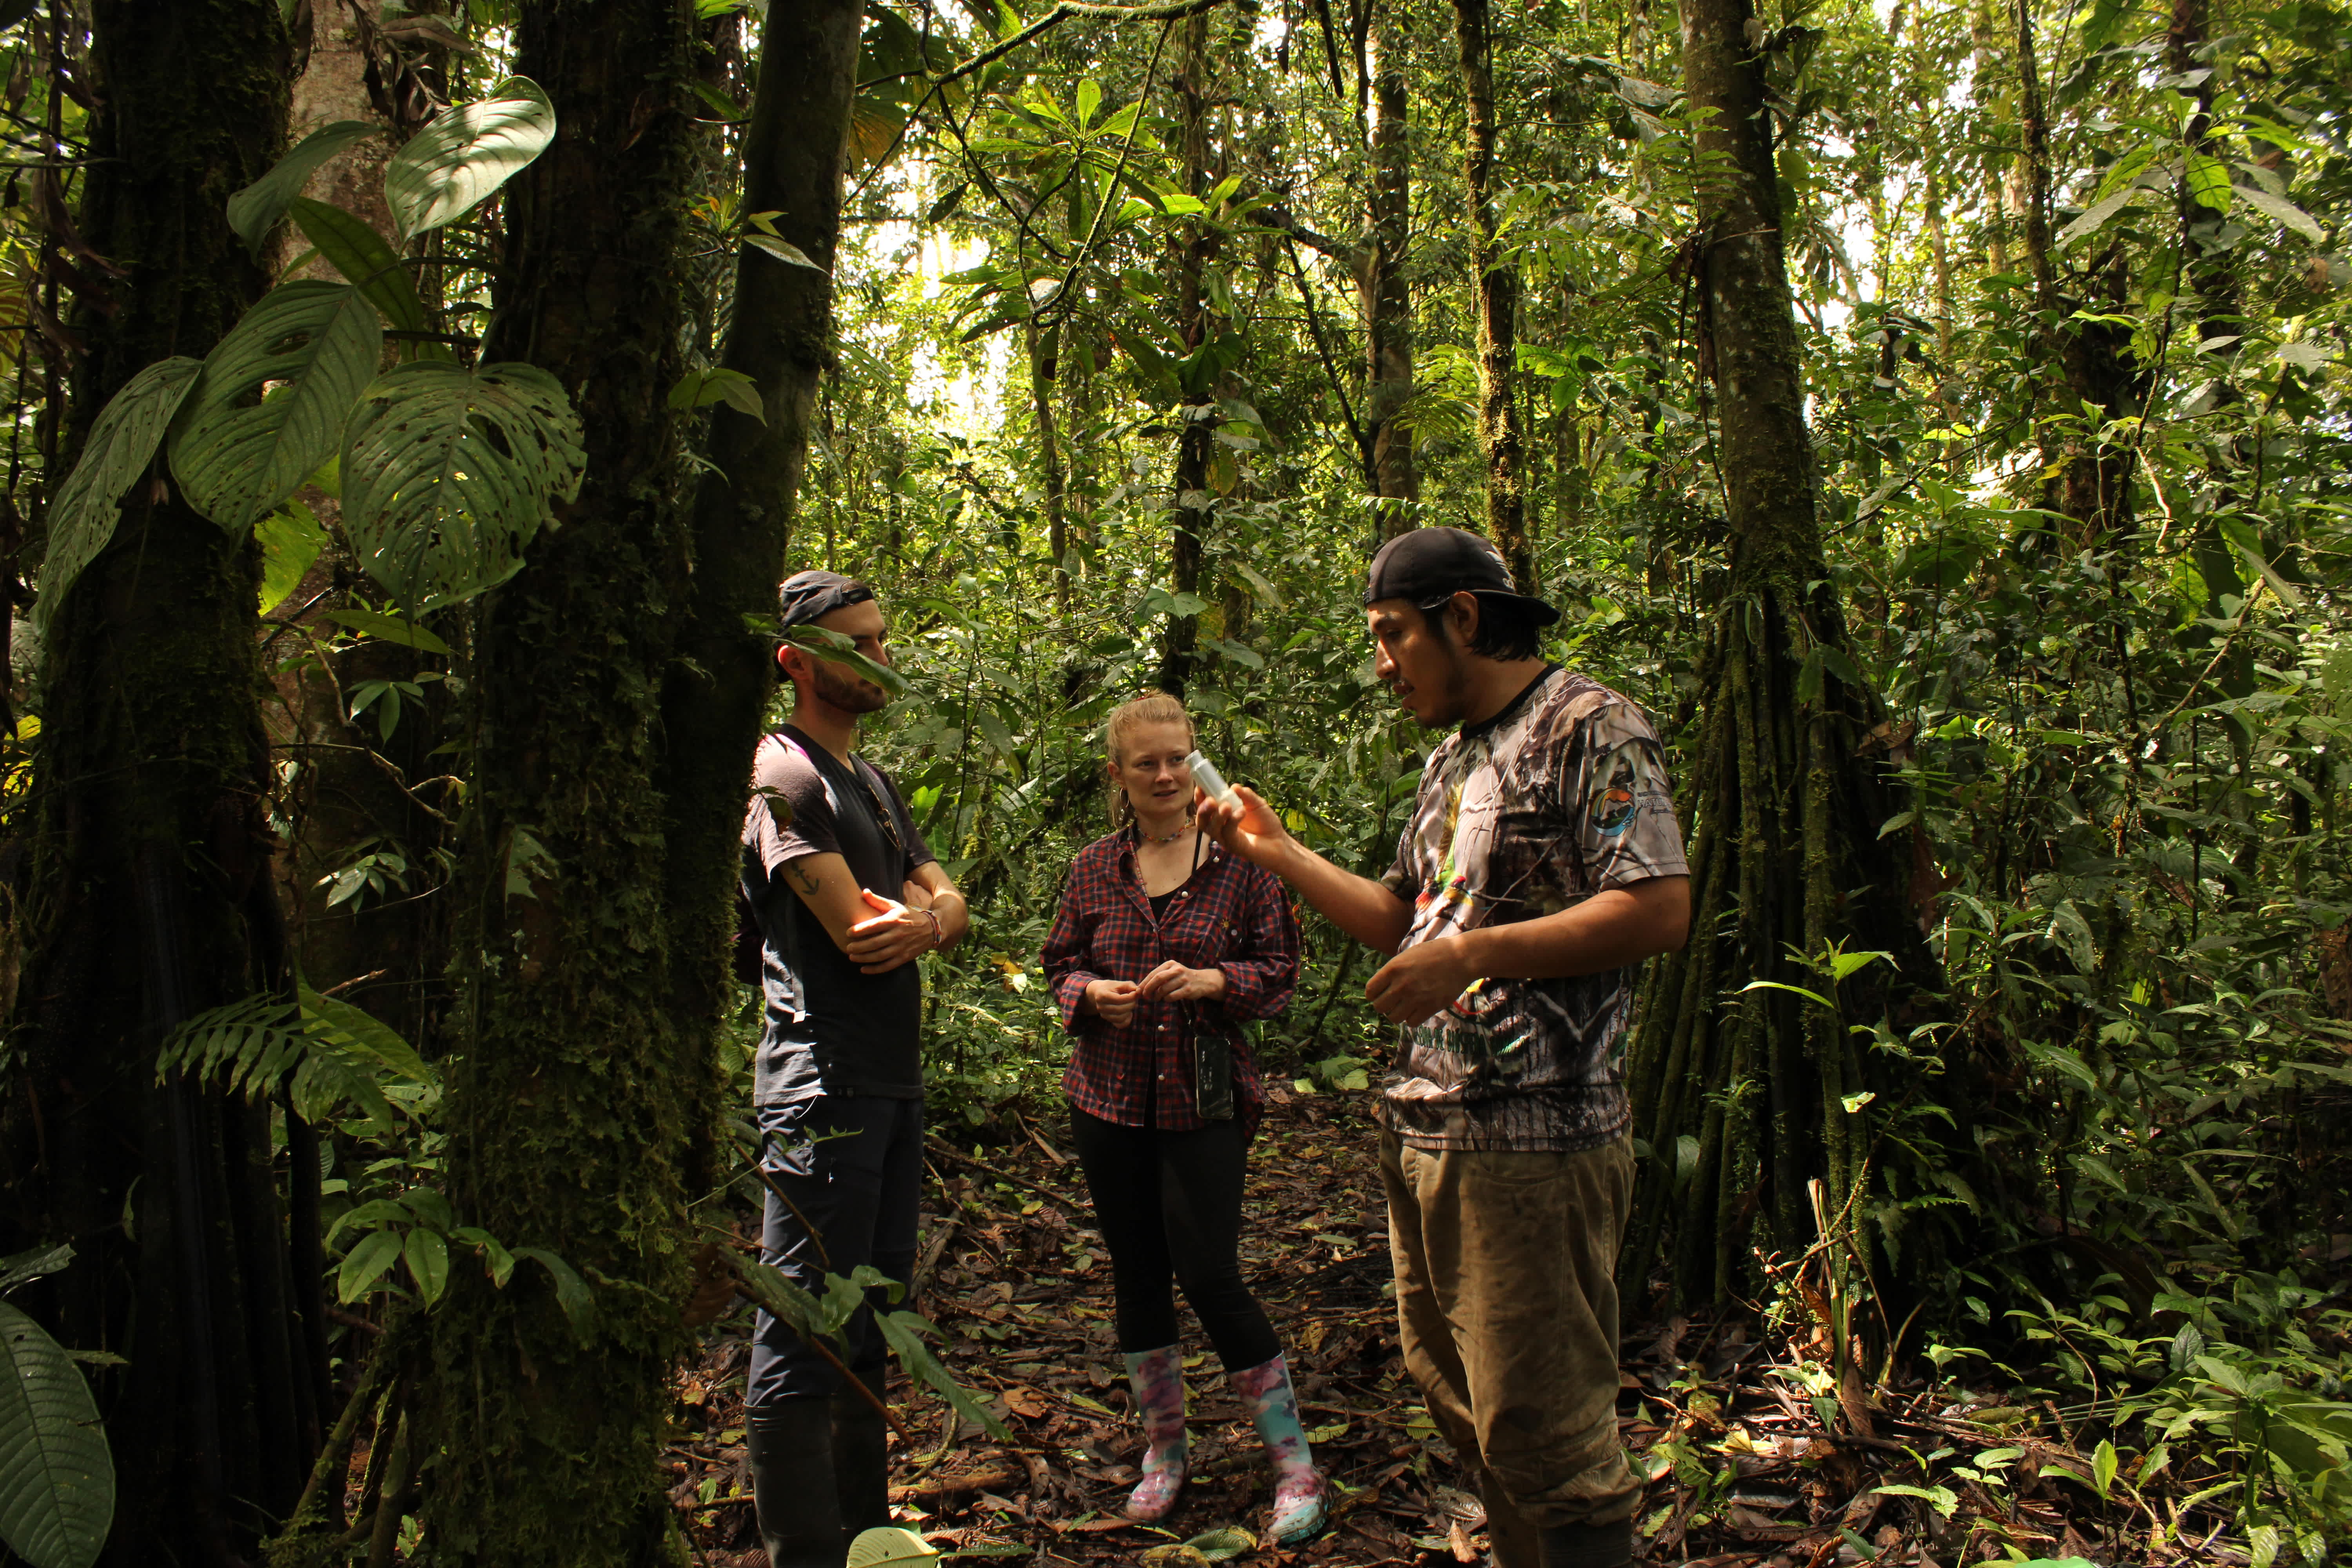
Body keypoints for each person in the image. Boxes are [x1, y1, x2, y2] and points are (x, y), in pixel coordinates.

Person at [1196, 528, 1691, 1568]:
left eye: (1393, 635)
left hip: (1537, 1140)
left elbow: (1656, 907)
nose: (1383, 664)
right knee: (1469, 1410)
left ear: (1462, 617)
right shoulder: (1451, 757)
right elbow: (1406, 921)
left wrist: (1472, 954)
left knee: (1549, 1432)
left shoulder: (1589, 725)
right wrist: (1279, 853)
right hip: (1428, 1136)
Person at [1040, 693, 1326, 1545]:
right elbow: (1059, 963)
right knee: (1137, 1274)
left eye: (1177, 758)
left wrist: (1215, 981)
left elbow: (1281, 971)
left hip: (1203, 1100)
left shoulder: (1242, 863)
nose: (1164, 775)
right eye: (1146, 763)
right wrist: (1089, 993)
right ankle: (1165, 1451)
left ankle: (1294, 1463)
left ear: (1195, 762)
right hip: (1107, 1097)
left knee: (1209, 1273)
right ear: (1118, 775)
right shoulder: (1095, 867)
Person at [740, 570, 971, 1568]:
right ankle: (806, 1550)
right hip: (819, 1082)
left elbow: (944, 902)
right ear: (797, 660)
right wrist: (926, 917)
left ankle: (865, 1537)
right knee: (803, 1320)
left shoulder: (866, 779)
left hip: (888, 1077)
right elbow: (858, 932)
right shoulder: (784, 776)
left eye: (882, 638)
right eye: (858, 644)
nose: (882, 657)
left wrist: (931, 916)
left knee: (871, 1312)